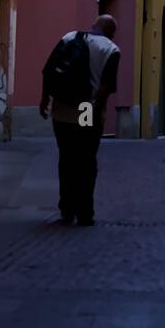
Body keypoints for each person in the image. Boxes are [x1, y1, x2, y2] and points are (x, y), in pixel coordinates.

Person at [39, 15, 120, 226]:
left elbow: (49, 69)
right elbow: (106, 87)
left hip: (62, 107)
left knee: (66, 158)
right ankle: (85, 212)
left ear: (94, 25)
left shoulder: (69, 37)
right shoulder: (110, 49)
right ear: (111, 31)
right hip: (86, 108)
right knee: (86, 160)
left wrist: (44, 98)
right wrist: (95, 110)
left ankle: (66, 208)